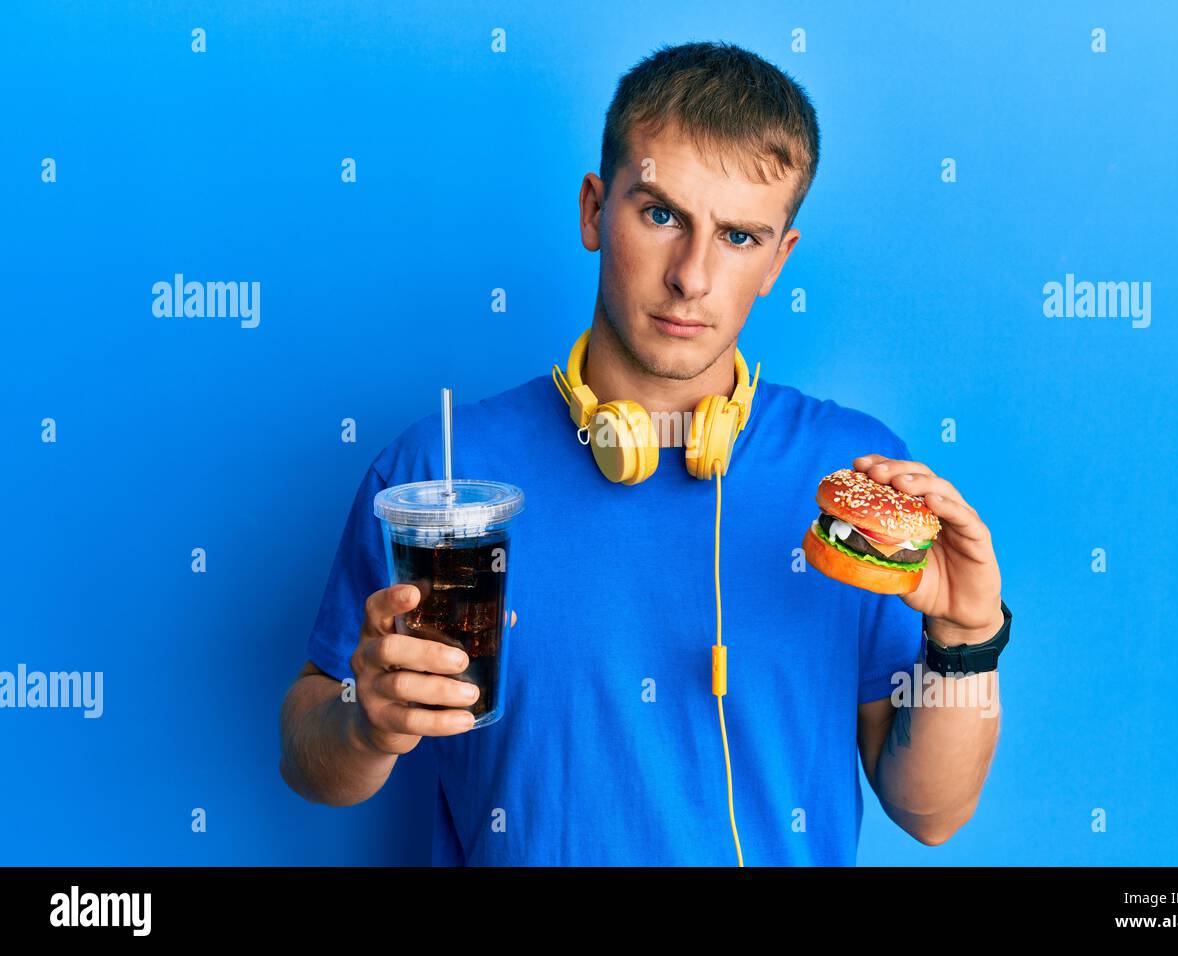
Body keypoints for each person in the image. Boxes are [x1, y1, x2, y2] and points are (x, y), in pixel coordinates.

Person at [279, 40, 1006, 866]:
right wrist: (363, 722)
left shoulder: (852, 477)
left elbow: (932, 813)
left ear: (779, 260)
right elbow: (310, 754)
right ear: (595, 210)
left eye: (738, 235)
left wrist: (965, 635)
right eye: (660, 215)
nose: (692, 276)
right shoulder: (441, 469)